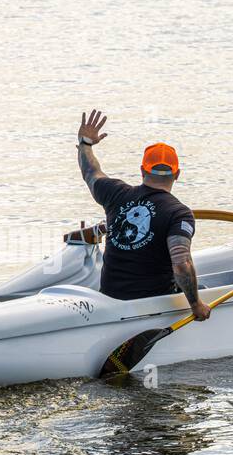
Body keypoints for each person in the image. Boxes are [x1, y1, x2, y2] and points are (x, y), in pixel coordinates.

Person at [76, 110, 209, 321]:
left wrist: (85, 144)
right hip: (152, 304)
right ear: (177, 174)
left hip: (111, 298)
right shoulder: (178, 213)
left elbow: (90, 173)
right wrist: (196, 305)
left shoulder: (115, 193)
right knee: (201, 289)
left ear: (142, 171)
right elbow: (182, 264)